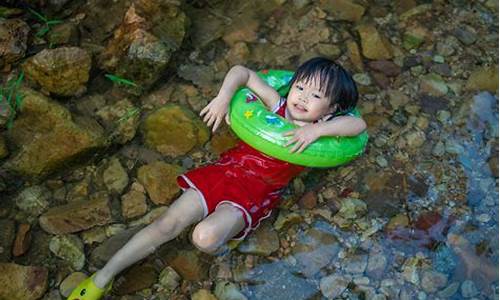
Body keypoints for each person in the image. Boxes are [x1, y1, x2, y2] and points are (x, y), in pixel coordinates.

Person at [68, 57, 367, 299]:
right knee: (167, 224)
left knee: (204, 238)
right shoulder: (275, 104)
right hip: (225, 172)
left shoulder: (320, 133)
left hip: (254, 191)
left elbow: (358, 125)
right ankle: (101, 278)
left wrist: (315, 130)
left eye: (316, 96)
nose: (302, 98)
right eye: (300, 88)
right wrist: (224, 97)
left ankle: (229, 242)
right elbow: (241, 71)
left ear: (331, 111)